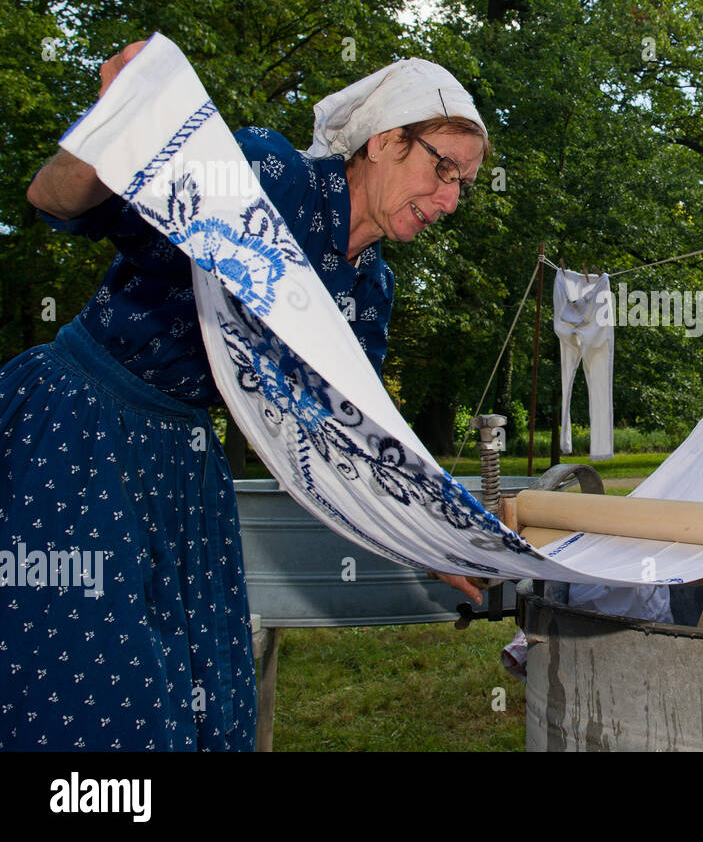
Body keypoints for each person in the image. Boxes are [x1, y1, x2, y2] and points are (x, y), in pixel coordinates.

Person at [1, 42, 488, 749]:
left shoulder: (369, 289)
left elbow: (356, 440)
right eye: (443, 169)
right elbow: (54, 199)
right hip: (84, 432)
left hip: (184, 465)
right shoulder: (268, 176)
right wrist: (121, 118)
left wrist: (444, 538)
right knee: (101, 693)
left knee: (210, 700)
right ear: (385, 140)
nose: (448, 199)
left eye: (463, 185)